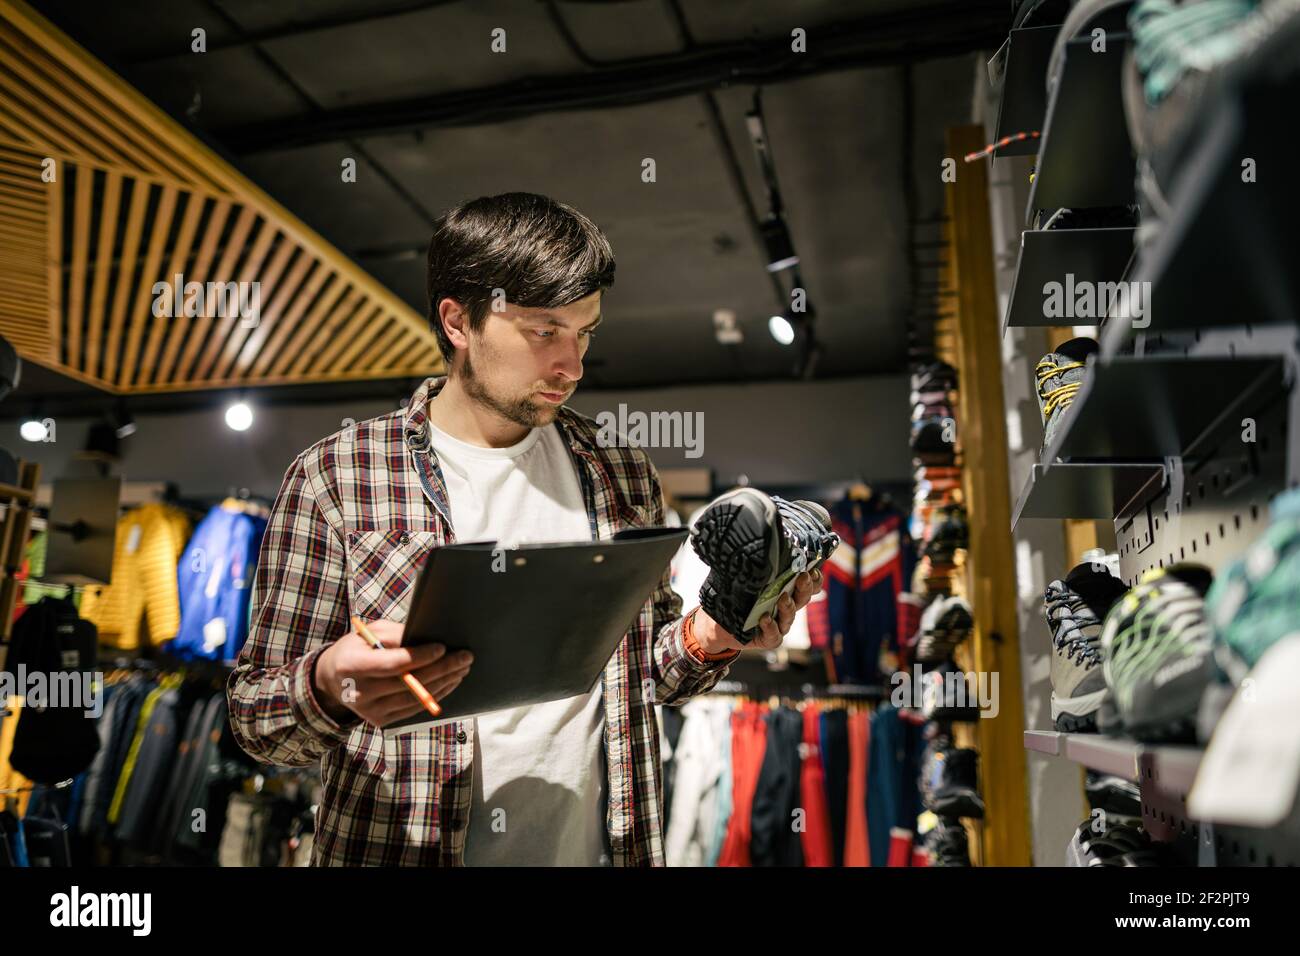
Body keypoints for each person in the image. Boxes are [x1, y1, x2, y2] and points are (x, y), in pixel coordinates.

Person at [227, 192, 820, 866]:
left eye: (585, 333)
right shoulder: (338, 475)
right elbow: (256, 724)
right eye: (544, 331)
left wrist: (712, 636)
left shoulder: (620, 471)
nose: (573, 366)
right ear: (457, 320)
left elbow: (639, 676)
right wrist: (331, 682)